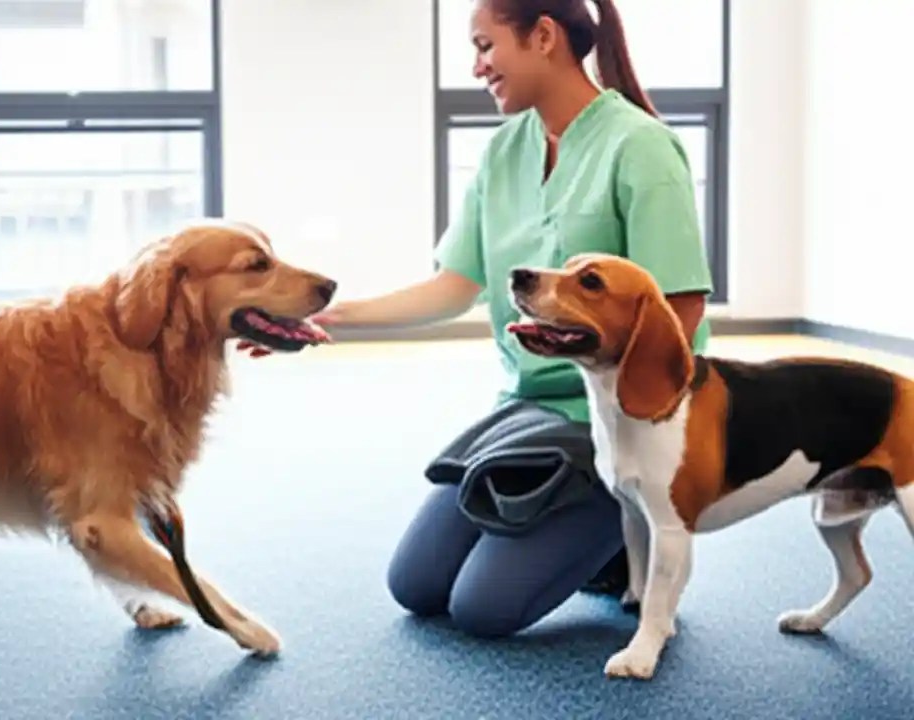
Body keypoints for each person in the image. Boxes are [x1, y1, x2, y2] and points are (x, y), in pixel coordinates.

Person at [239, 0, 713, 637]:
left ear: (543, 36)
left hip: (619, 423)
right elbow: (454, 286)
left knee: (483, 608)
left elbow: (681, 309)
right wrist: (328, 321)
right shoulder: (504, 151)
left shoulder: (641, 149)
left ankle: (623, 523)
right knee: (416, 586)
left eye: (486, 46)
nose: (477, 66)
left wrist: (626, 441)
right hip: (527, 411)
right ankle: (582, 536)